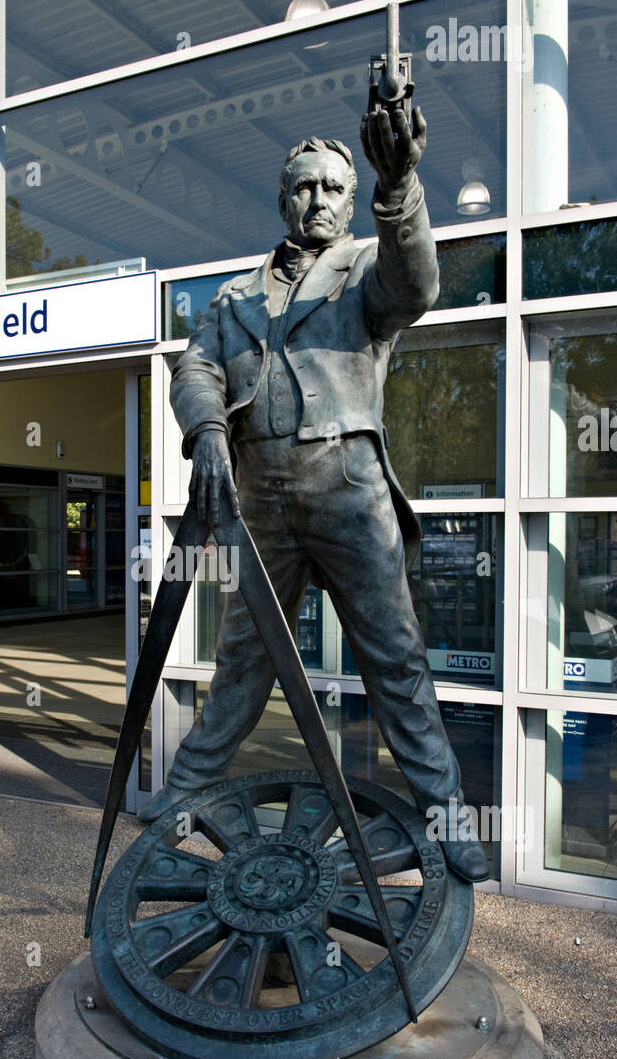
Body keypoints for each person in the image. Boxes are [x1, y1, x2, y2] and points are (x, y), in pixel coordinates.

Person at [139, 104, 489, 883]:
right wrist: (204, 433)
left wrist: (397, 186)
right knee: (241, 663)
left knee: (395, 663)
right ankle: (185, 790)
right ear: (283, 199)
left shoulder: (365, 269)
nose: (321, 200)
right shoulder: (232, 298)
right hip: (261, 497)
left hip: (349, 493)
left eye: (336, 186)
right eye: (306, 188)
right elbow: (194, 369)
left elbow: (417, 284)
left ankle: (450, 818)